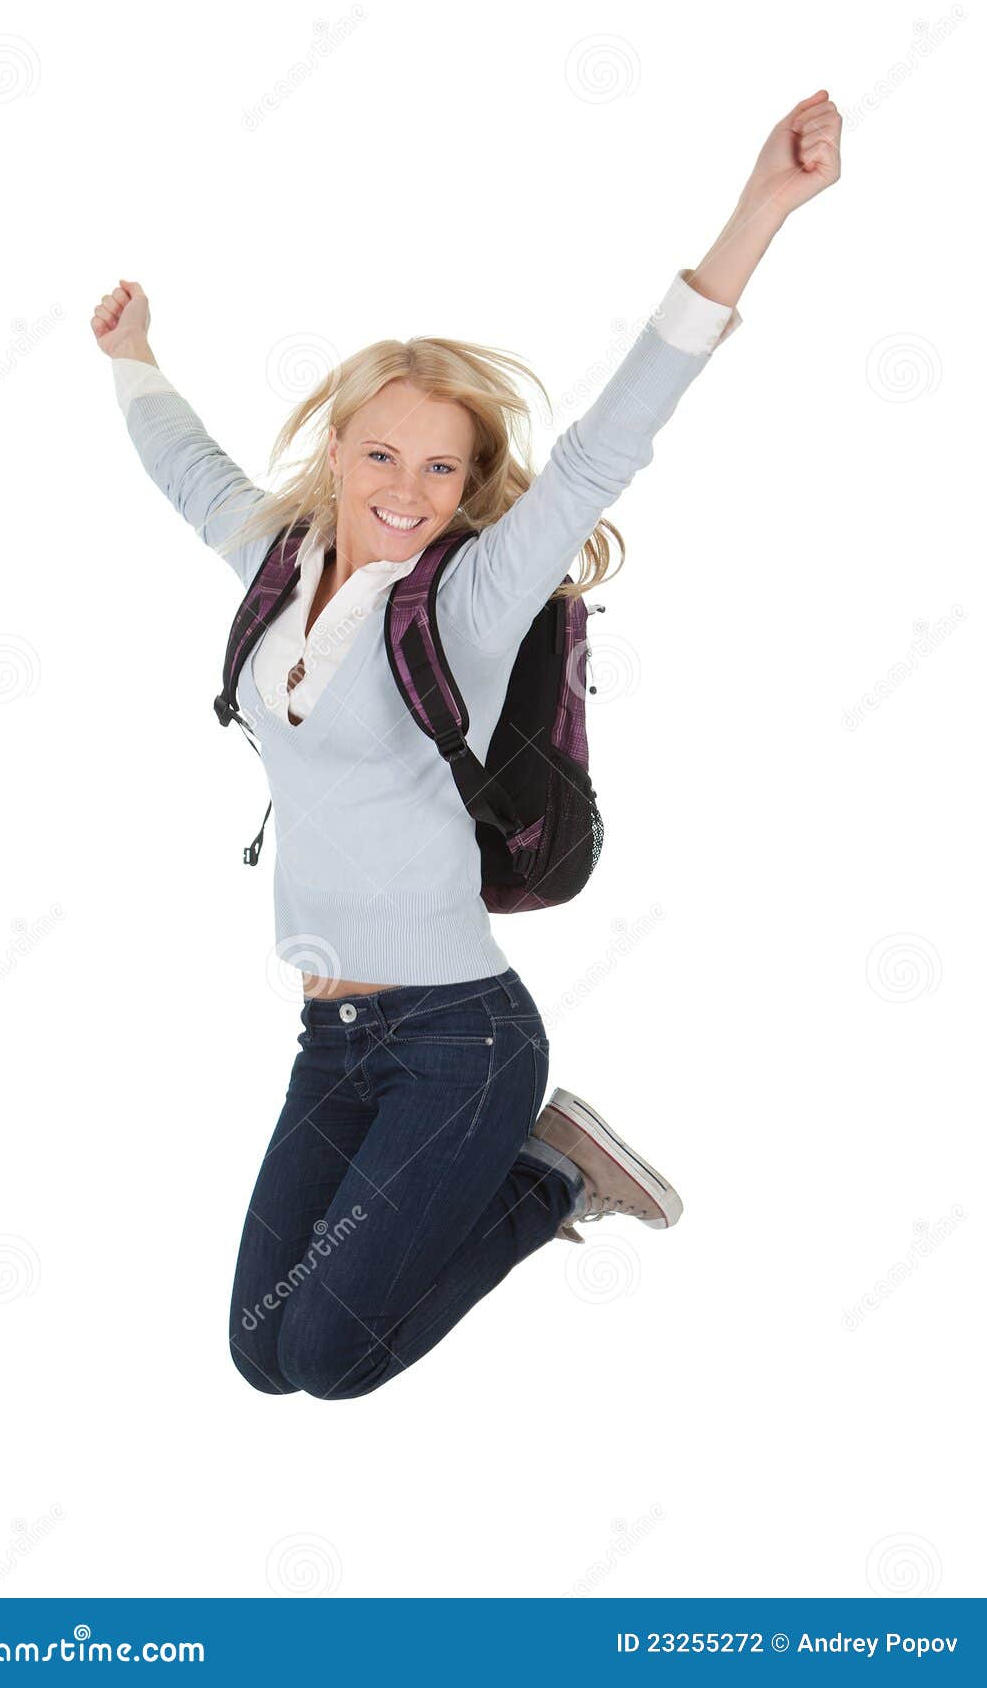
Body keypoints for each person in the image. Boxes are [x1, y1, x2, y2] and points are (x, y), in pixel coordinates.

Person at [92, 91, 841, 1400]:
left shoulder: (470, 599)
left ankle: (547, 1175)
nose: (406, 487)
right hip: (332, 1040)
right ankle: (527, 1167)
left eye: (442, 470)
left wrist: (755, 213)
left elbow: (607, 446)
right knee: (262, 1356)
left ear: (465, 485)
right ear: (336, 451)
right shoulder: (279, 568)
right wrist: (132, 355)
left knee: (332, 1359)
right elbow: (186, 465)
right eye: (380, 452)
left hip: (460, 1037)